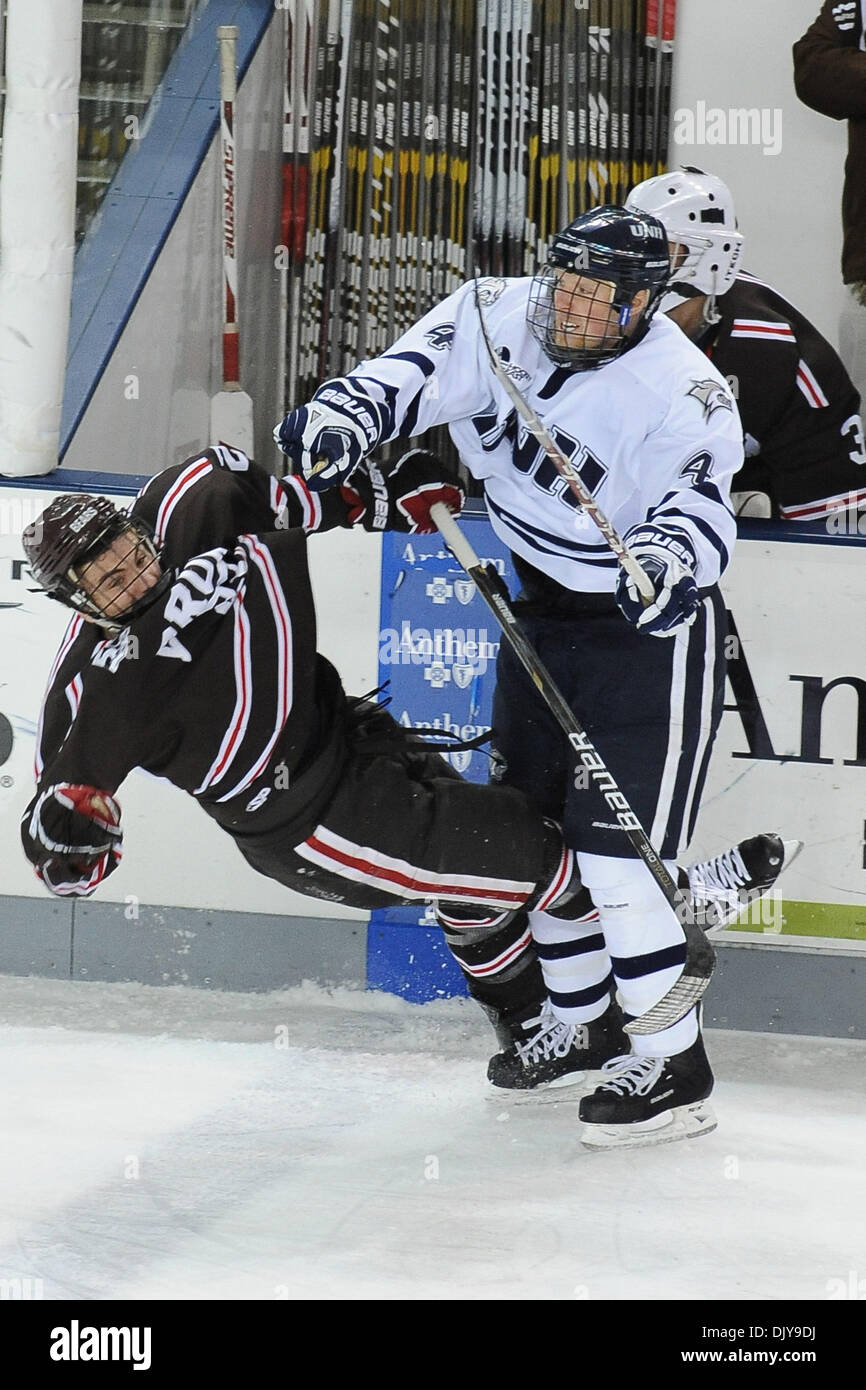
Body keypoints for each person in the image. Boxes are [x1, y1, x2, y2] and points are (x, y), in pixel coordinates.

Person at [20, 442, 793, 1134]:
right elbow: (54, 843)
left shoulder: (196, 500)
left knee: (478, 876)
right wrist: (71, 841)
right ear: (79, 602)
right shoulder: (94, 690)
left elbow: (293, 495)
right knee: (538, 862)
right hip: (310, 820)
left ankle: (537, 1031)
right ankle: (671, 903)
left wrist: (383, 489)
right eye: (109, 581)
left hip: (350, 731)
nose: (133, 576)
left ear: (136, 526)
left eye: (128, 551)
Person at [271, 204, 802, 1148]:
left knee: (615, 863)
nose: (576, 311)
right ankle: (585, 1019)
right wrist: (347, 412)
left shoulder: (686, 390)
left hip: (646, 635)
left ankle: (676, 1069)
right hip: (538, 611)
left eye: (604, 300)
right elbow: (408, 376)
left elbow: (699, 505)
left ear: (648, 303)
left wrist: (671, 558)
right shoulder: (492, 312)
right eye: (569, 286)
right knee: (532, 841)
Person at [625, 167, 866, 523]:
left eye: (663, 254)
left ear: (713, 261)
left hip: (769, 529)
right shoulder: (603, 314)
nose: (641, 271)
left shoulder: (768, 350)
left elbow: (836, 527)